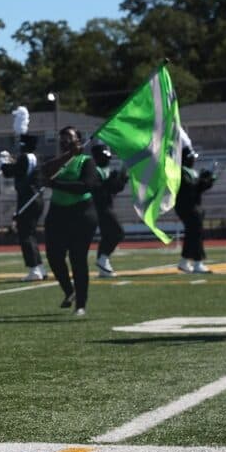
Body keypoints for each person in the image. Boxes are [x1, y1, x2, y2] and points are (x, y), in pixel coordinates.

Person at [43, 127, 100, 316]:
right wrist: (67, 156)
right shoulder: (59, 162)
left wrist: (56, 184)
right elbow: (44, 172)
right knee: (54, 256)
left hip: (81, 215)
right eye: (62, 139)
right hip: (57, 213)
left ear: (79, 141)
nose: (64, 141)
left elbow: (86, 186)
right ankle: (69, 291)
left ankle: (81, 304)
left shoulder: (87, 161)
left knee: (77, 259)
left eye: (69, 138)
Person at [1, 106, 46, 282]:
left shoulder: (26, 158)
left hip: (28, 199)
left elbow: (12, 172)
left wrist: (3, 163)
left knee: (25, 234)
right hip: (35, 199)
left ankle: (34, 269)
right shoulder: (35, 157)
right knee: (31, 234)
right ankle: (39, 267)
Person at [175, 130, 215, 274]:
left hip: (194, 206)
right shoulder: (181, 171)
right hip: (187, 207)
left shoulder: (190, 172)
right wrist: (203, 180)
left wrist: (208, 178)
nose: (194, 160)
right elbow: (191, 188)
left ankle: (184, 261)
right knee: (195, 233)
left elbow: (198, 187)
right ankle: (198, 263)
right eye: (191, 157)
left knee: (192, 234)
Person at [90, 142, 128, 278]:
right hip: (100, 208)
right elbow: (97, 189)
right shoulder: (95, 171)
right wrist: (109, 182)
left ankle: (103, 263)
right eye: (104, 156)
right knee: (118, 233)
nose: (108, 158)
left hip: (107, 205)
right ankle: (103, 259)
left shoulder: (106, 170)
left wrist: (122, 178)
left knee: (107, 235)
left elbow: (115, 189)